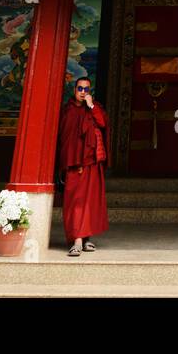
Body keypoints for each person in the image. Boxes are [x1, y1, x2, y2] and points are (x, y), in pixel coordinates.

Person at [58, 78, 109, 257]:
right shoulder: (69, 111)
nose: (82, 91)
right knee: (76, 202)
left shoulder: (94, 108)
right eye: (79, 88)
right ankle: (76, 241)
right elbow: (67, 140)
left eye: (86, 89)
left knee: (90, 202)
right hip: (76, 165)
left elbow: (102, 124)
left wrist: (92, 106)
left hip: (92, 164)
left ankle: (86, 238)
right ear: (74, 90)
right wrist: (74, 161)